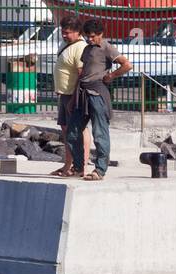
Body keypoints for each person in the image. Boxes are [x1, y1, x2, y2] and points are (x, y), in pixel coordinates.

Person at [77, 19, 132, 181]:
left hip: (97, 94)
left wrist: (112, 76)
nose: (89, 39)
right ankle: (79, 167)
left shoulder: (107, 47)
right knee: (73, 131)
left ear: (101, 34)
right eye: (87, 36)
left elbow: (127, 65)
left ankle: (100, 170)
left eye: (93, 36)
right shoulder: (87, 49)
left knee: (99, 133)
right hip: (83, 93)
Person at [52, 17, 88, 178]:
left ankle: (82, 165)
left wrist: (75, 98)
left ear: (77, 32)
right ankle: (68, 164)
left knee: (80, 130)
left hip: (73, 96)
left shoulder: (80, 47)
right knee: (66, 130)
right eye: (63, 32)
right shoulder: (66, 44)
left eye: (67, 33)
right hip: (64, 94)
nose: (64, 35)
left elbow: (82, 75)